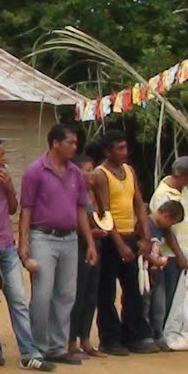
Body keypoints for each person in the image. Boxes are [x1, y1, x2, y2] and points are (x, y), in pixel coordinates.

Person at [0, 138, 51, 371]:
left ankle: (28, 352)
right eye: (0, 155)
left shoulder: (3, 178)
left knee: (17, 300)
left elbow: (13, 208)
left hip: (6, 245)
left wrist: (9, 187)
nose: (4, 159)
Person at [19, 125, 100, 367]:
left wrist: (90, 243)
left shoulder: (75, 173)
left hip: (70, 237)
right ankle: (38, 346)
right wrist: (23, 242)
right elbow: (26, 209)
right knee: (43, 294)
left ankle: (57, 346)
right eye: (70, 143)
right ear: (55, 143)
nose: (74, 147)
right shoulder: (35, 171)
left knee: (66, 294)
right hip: (43, 236)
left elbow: (81, 210)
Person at [90, 131, 159, 355]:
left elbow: (139, 202)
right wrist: (119, 243)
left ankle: (133, 334)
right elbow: (104, 212)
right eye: (119, 148)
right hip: (111, 238)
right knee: (107, 290)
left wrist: (146, 236)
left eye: (125, 148)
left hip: (131, 235)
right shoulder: (100, 175)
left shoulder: (129, 171)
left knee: (133, 289)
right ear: (107, 152)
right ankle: (110, 338)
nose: (124, 152)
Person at [147, 157, 188, 341]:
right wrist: (178, 254)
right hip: (169, 254)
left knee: (175, 297)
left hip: (183, 253)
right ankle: (160, 333)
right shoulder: (163, 195)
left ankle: (168, 332)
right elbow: (166, 229)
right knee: (164, 297)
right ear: (182, 176)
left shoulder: (183, 190)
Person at [66, 150, 107, 360]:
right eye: (88, 171)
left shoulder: (94, 194)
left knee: (91, 294)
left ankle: (86, 339)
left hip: (95, 246)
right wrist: (90, 234)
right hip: (80, 246)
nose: (92, 175)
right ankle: (71, 341)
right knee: (78, 295)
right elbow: (72, 224)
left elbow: (104, 215)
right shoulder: (72, 195)